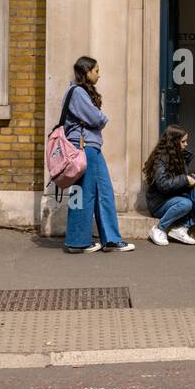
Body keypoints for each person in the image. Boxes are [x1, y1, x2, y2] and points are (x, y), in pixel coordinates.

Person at [61, 56, 133, 253]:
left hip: (86, 147)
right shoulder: (77, 92)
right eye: (96, 71)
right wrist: (102, 116)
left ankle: (109, 239)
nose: (99, 75)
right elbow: (96, 118)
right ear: (87, 72)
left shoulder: (75, 91)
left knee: (101, 192)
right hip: (86, 147)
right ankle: (78, 242)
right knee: (85, 194)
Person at [143, 125, 195, 245]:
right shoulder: (160, 159)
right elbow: (163, 185)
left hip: (175, 197)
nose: (186, 144)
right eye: (183, 141)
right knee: (186, 204)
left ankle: (180, 228)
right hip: (160, 203)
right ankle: (159, 229)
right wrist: (185, 180)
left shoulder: (180, 156)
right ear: (173, 142)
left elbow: (178, 180)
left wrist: (190, 179)